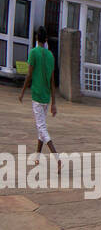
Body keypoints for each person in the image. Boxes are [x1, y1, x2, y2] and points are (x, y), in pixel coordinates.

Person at [18, 26, 60, 164]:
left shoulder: (33, 52)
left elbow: (29, 75)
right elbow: (53, 81)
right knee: (41, 127)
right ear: (46, 39)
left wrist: (23, 91)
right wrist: (54, 102)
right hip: (46, 96)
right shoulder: (50, 55)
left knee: (41, 128)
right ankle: (37, 156)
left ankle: (57, 158)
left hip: (36, 94)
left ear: (37, 38)